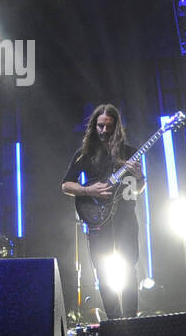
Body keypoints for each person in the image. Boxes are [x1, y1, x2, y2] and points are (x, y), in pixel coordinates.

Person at [61, 104, 142, 320]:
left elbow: (138, 189)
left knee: (129, 268)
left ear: (116, 127)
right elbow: (66, 185)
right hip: (97, 219)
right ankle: (115, 321)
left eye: (108, 126)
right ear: (93, 126)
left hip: (125, 217)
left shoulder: (130, 152)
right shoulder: (84, 154)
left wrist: (139, 177)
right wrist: (88, 189)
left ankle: (131, 319)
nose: (104, 131)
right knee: (103, 272)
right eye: (100, 126)